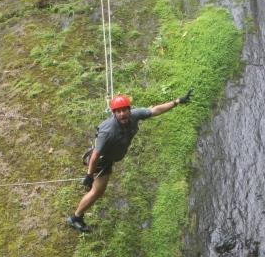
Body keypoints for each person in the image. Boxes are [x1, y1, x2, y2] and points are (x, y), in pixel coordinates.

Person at [67, 89, 192, 233]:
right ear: (114, 113)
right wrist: (89, 175)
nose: (122, 114)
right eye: (118, 112)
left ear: (129, 110)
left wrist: (176, 102)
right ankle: (75, 218)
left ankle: (79, 213)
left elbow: (155, 110)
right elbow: (95, 155)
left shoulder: (135, 115)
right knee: (96, 192)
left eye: (124, 110)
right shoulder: (108, 131)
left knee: (98, 192)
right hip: (101, 162)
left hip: (109, 158)